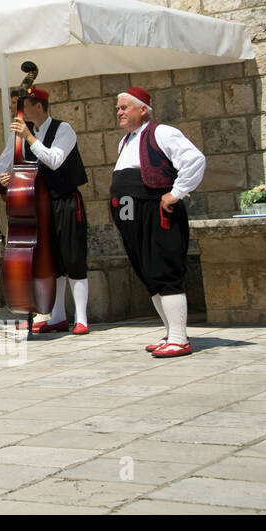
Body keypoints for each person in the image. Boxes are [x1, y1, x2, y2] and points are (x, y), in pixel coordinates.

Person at [0, 87, 90, 334]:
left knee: (73, 256)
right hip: (40, 203)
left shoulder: (63, 129)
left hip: (65, 200)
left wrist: (29, 137)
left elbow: (54, 160)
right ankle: (57, 316)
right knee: (53, 261)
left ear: (37, 106)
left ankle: (81, 318)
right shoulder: (19, 135)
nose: (14, 110)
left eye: (20, 105)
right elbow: (0, 167)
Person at [110, 87, 206, 357]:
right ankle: (170, 333)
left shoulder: (162, 132)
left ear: (142, 110)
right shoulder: (126, 141)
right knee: (148, 273)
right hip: (130, 213)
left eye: (124, 107)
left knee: (164, 270)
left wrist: (175, 194)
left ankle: (180, 338)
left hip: (157, 211)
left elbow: (194, 160)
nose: (119, 112)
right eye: (117, 108)